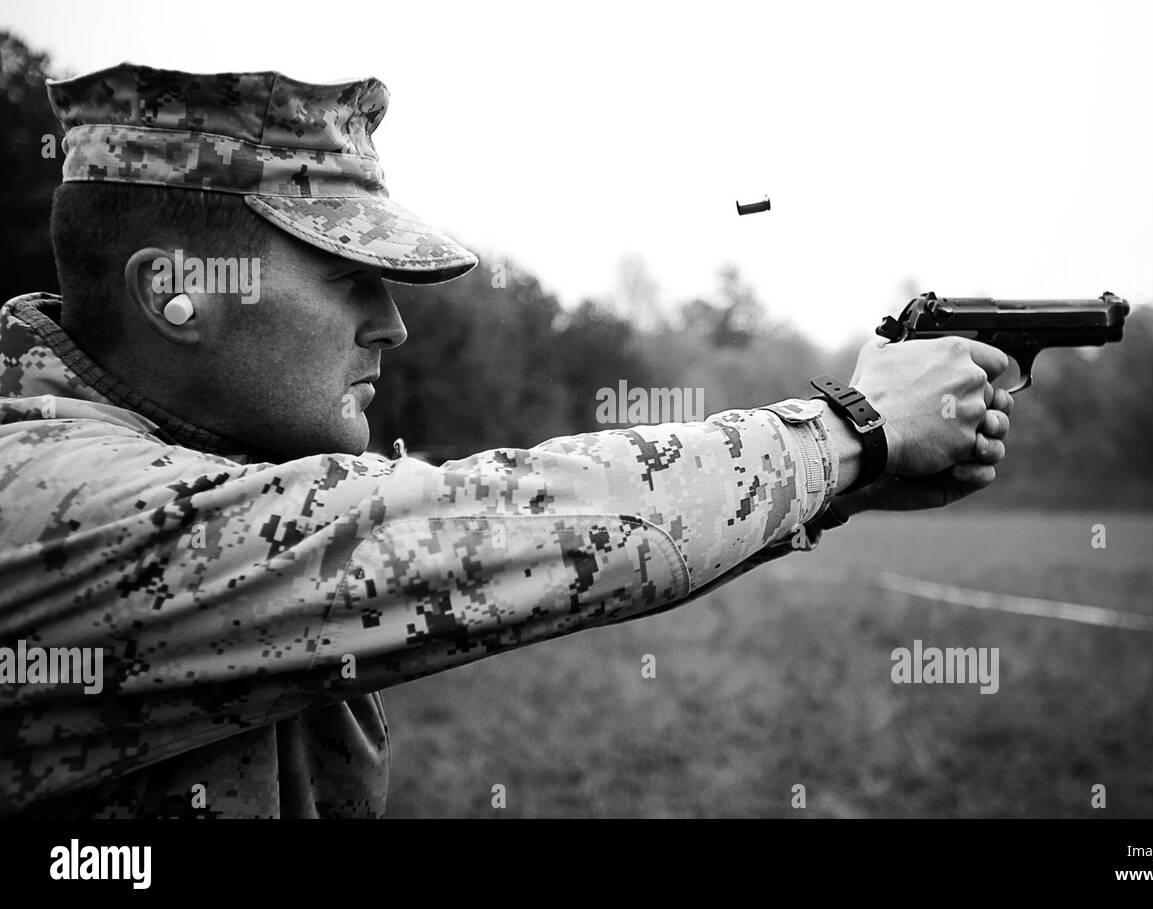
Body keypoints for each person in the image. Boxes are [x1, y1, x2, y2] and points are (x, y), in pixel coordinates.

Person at [0, 62, 1012, 818]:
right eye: (349, 277)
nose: (391, 325)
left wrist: (843, 476)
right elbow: (502, 525)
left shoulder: (174, 473)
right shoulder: (54, 500)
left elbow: (518, 561)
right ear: (176, 290)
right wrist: (853, 432)